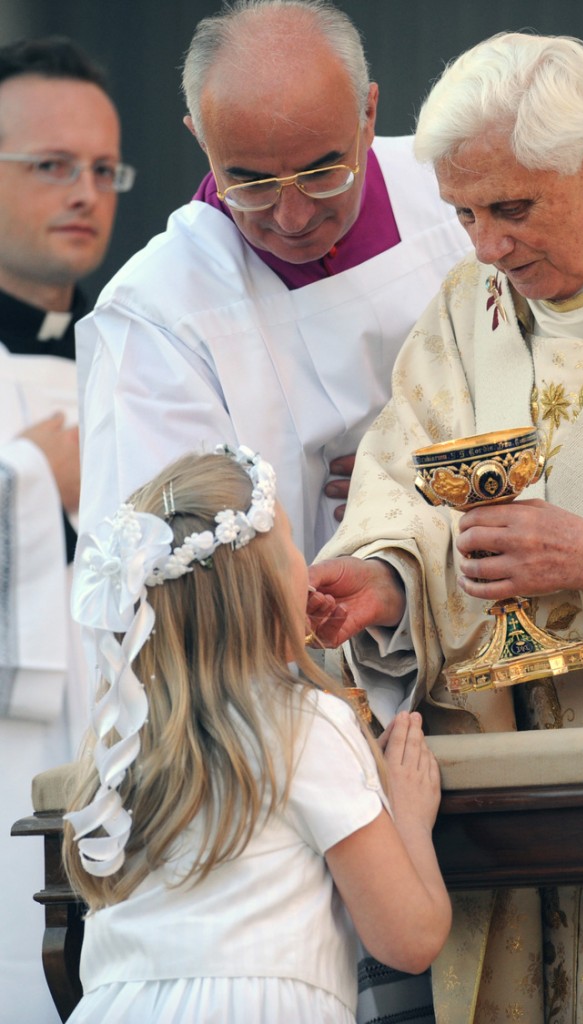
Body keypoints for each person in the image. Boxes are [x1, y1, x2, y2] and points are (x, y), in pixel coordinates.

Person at [309, 32, 583, 1023]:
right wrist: (388, 580)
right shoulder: (469, 309)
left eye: (511, 209)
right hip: (512, 813)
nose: (485, 248)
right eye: (462, 214)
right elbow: (404, 481)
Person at [62, 444, 450, 1023]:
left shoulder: (120, 739)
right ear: (264, 588)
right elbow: (410, 939)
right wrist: (410, 820)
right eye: (291, 544)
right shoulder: (306, 724)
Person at [75, 0, 470, 564]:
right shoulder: (158, 313)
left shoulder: (459, 193)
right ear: (201, 139)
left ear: (368, 113)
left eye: (322, 172)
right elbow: (156, 559)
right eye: (252, 183)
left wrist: (446, 472)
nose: (292, 217)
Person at [0, 36, 133, 1022]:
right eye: (51, 165)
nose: (85, 192)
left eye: (102, 169)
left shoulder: (140, 353)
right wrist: (30, 481)